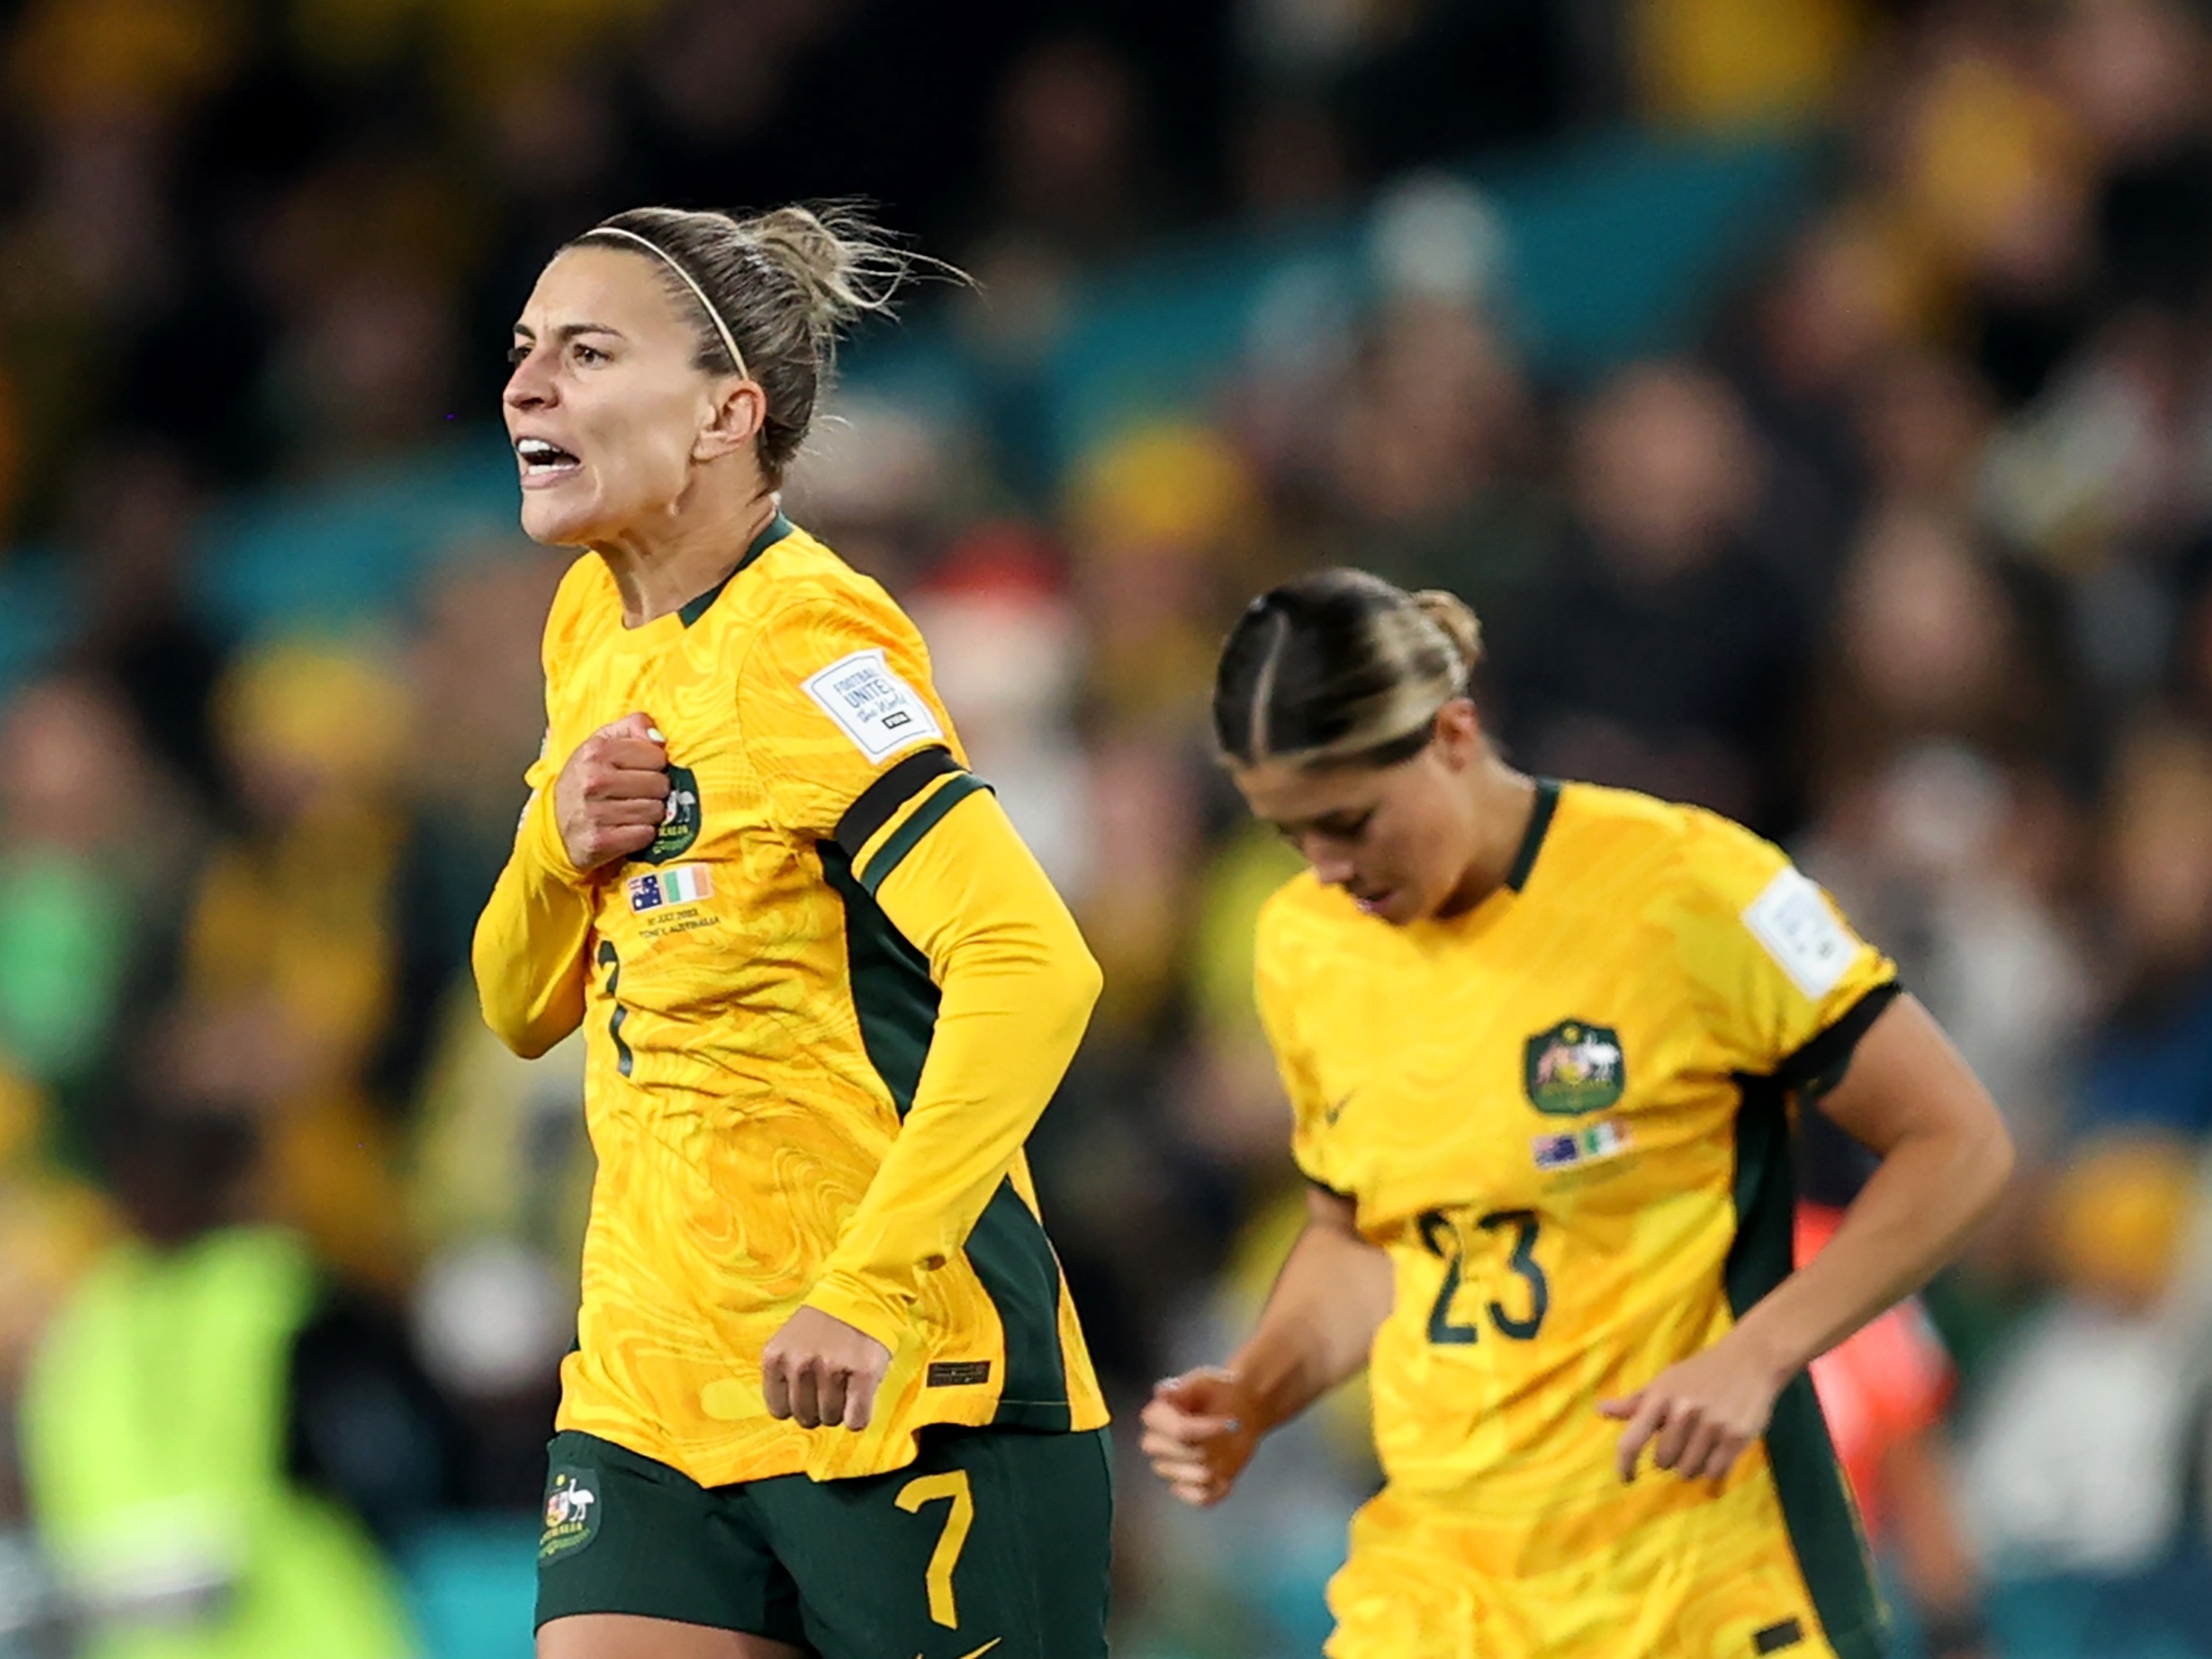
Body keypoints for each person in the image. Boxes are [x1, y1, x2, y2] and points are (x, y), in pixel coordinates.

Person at [1141, 569, 2014, 1659]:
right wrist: (1259, 1384)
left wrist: (1759, 1352)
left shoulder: (1690, 889)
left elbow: (1958, 1143)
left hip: (1694, 1583)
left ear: (1453, 734)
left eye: (1349, 820)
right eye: (1289, 835)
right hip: (1443, 1585)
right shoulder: (1302, 946)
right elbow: (1362, 1238)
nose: (1328, 868)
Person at [474, 203, 1112, 1659]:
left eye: (583, 352)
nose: (523, 388)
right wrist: (552, 840)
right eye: (522, 352)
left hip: (888, 1379)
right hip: (652, 1385)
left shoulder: (811, 644)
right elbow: (518, 1003)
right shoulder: (589, 627)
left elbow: (1032, 964)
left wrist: (866, 1289)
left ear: (724, 413)